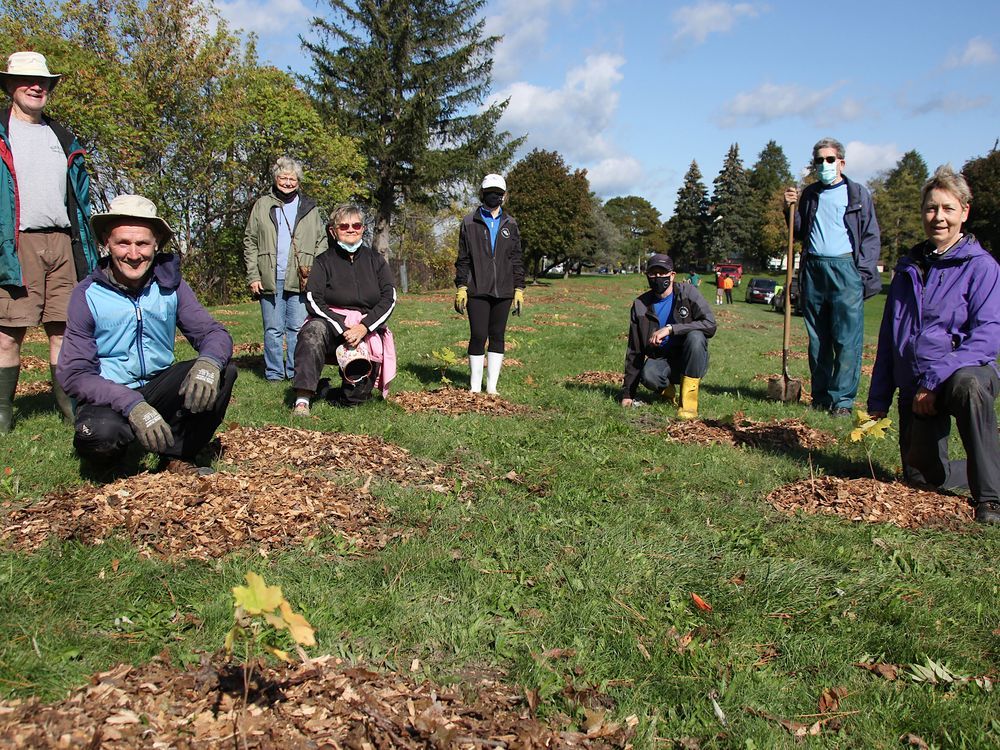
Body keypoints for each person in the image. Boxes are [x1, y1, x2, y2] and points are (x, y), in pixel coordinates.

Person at [57, 195, 237, 476]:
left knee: (222, 372)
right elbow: (75, 374)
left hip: (158, 386)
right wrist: (131, 404)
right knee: (100, 436)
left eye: (142, 243)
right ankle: (120, 459)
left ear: (156, 244)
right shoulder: (86, 294)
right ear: (106, 243)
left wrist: (210, 362)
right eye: (123, 243)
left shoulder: (171, 285)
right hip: (109, 393)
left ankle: (177, 454)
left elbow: (212, 332)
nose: (133, 254)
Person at [867, 166, 1000, 524]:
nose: (938, 217)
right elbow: (889, 338)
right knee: (921, 479)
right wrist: (878, 399)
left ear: (964, 212)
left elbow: (987, 337)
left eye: (947, 208)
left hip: (960, 377)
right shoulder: (908, 268)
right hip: (915, 387)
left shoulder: (982, 267)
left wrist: (934, 379)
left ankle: (990, 498)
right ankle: (992, 467)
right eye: (930, 208)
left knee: (969, 386)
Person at [0, 51, 98, 432]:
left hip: (62, 242)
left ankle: (69, 408)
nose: (36, 87)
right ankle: (4, 413)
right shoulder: (3, 132)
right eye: (27, 80)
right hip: (15, 243)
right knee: (9, 332)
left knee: (63, 329)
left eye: (42, 82)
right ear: (10, 85)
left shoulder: (63, 137)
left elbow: (81, 198)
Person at [785, 137, 881, 416]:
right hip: (814, 269)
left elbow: (871, 236)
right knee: (818, 339)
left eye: (830, 159)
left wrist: (862, 273)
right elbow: (799, 231)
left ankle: (843, 401)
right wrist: (788, 208)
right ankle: (821, 395)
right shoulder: (810, 194)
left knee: (846, 339)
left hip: (845, 269)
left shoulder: (858, 194)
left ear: (841, 162)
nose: (824, 165)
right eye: (819, 160)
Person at [292, 204, 396, 414]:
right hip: (330, 324)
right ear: (333, 230)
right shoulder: (323, 261)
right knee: (312, 332)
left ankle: (327, 391)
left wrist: (364, 327)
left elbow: (389, 298)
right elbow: (313, 299)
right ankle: (302, 398)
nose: (351, 229)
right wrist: (342, 327)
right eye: (344, 226)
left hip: (365, 328)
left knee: (355, 401)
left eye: (356, 225)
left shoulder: (376, 260)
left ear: (362, 229)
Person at [243, 156, 326, 382]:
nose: (288, 182)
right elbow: (250, 240)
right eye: (283, 178)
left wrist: (316, 274)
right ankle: (274, 373)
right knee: (273, 329)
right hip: (269, 277)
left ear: (298, 181)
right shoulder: (262, 205)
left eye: (292, 179)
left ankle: (294, 371)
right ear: (275, 179)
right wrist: (253, 275)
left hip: (300, 279)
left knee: (297, 329)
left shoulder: (310, 208)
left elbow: (321, 242)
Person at [620, 254, 716, 419]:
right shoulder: (640, 305)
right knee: (648, 375)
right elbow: (634, 350)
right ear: (647, 275)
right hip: (662, 360)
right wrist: (628, 393)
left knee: (696, 337)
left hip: (691, 359)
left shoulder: (688, 293)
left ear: (672, 275)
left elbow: (710, 324)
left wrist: (671, 329)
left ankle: (688, 406)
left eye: (662, 272)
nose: (658, 277)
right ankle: (669, 395)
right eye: (653, 273)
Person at [454, 174, 525, 395]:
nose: (494, 196)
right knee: (478, 335)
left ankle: (492, 387)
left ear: (504, 196)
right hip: (477, 289)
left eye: (498, 193)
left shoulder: (510, 224)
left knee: (497, 335)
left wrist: (519, 288)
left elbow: (516, 258)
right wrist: (461, 286)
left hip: (503, 290)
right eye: (490, 192)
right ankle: (475, 387)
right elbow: (463, 258)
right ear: (482, 194)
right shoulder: (469, 222)